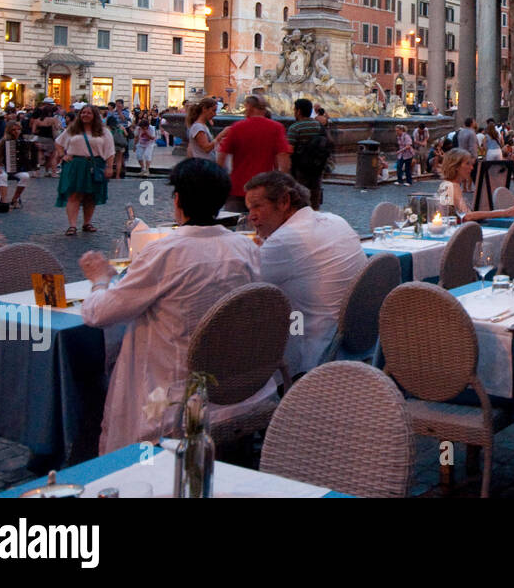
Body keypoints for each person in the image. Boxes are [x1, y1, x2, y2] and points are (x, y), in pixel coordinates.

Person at [78, 158, 269, 453]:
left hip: (172, 392)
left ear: (178, 200)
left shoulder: (167, 252)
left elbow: (98, 313)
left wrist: (99, 279)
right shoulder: (244, 247)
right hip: (236, 382)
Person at [245, 170, 366, 376]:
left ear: (284, 202)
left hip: (313, 344)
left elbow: (242, 290)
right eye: (249, 209)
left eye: (257, 206)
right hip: (357, 336)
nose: (251, 217)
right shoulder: (335, 220)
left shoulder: (284, 241)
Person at [216, 93, 291, 213]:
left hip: (238, 186)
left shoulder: (237, 127)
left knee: (234, 222)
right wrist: (282, 182)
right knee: (264, 226)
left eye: (245, 107)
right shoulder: (276, 128)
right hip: (265, 189)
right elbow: (283, 158)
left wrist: (220, 179)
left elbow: (222, 156)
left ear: (250, 107)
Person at [54, 104, 113, 235]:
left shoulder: (104, 131)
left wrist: (109, 167)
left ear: (94, 116)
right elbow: (58, 142)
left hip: (95, 164)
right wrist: (62, 155)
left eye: (88, 113)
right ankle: (72, 225)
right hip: (75, 165)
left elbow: (110, 151)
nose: (85, 115)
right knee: (74, 194)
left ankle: (87, 223)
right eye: (83, 113)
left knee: (90, 196)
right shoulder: (73, 129)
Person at [435, 149, 514, 222]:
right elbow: (467, 216)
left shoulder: (448, 184)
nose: (472, 168)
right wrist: (504, 212)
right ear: (456, 166)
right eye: (467, 164)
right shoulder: (451, 186)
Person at [287, 98, 332, 208]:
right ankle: (315, 212)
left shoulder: (295, 127)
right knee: (315, 191)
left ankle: (302, 214)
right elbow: (328, 142)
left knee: (300, 193)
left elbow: (289, 149)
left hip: (301, 167)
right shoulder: (318, 125)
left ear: (298, 111)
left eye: (294, 109)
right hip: (318, 164)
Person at [0, 122, 35, 208]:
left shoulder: (23, 141)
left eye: (18, 129)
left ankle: (14, 199)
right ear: (9, 131)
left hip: (18, 168)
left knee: (25, 176)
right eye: (13, 130)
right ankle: (4, 201)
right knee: (2, 176)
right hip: (4, 167)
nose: (16, 132)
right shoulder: (3, 141)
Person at [132, 111, 156, 176]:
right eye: (141, 127)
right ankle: (143, 169)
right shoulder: (138, 128)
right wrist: (134, 145)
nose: (142, 128)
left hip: (149, 144)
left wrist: (146, 133)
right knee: (139, 156)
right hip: (141, 143)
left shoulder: (151, 128)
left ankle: (147, 170)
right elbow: (136, 137)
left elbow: (153, 138)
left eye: (143, 127)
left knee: (147, 155)